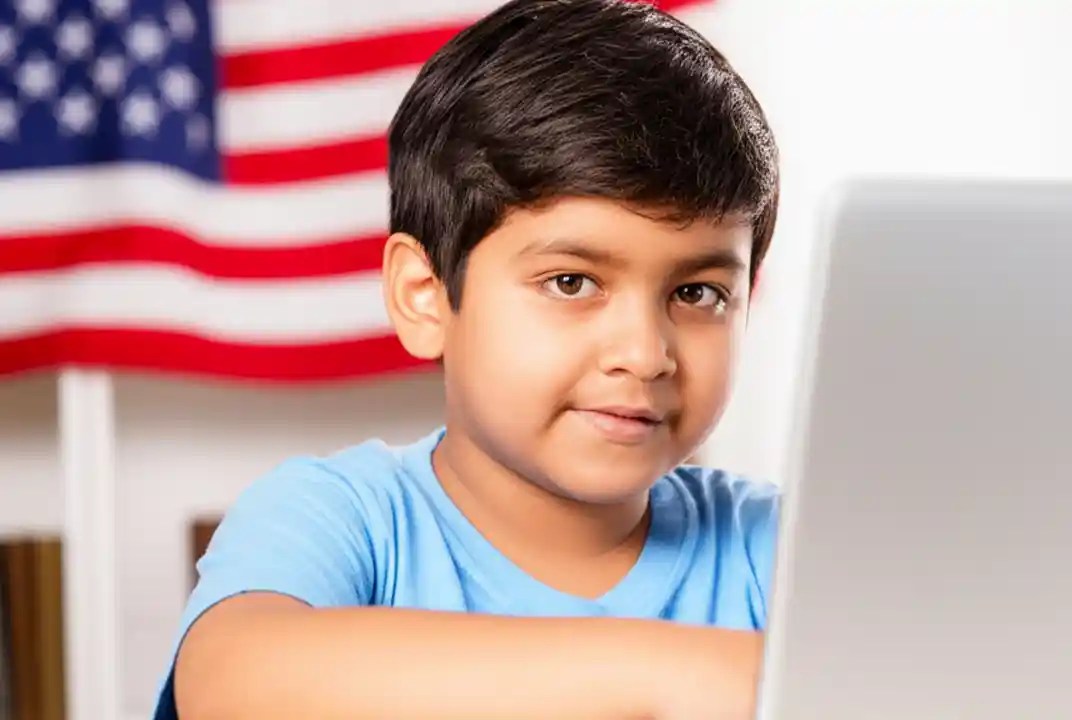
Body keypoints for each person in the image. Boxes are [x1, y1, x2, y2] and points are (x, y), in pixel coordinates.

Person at [155, 0, 780, 717]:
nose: (644, 354)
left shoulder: (774, 547)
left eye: (697, 293)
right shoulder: (342, 518)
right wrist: (682, 676)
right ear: (425, 297)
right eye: (571, 282)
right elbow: (232, 681)